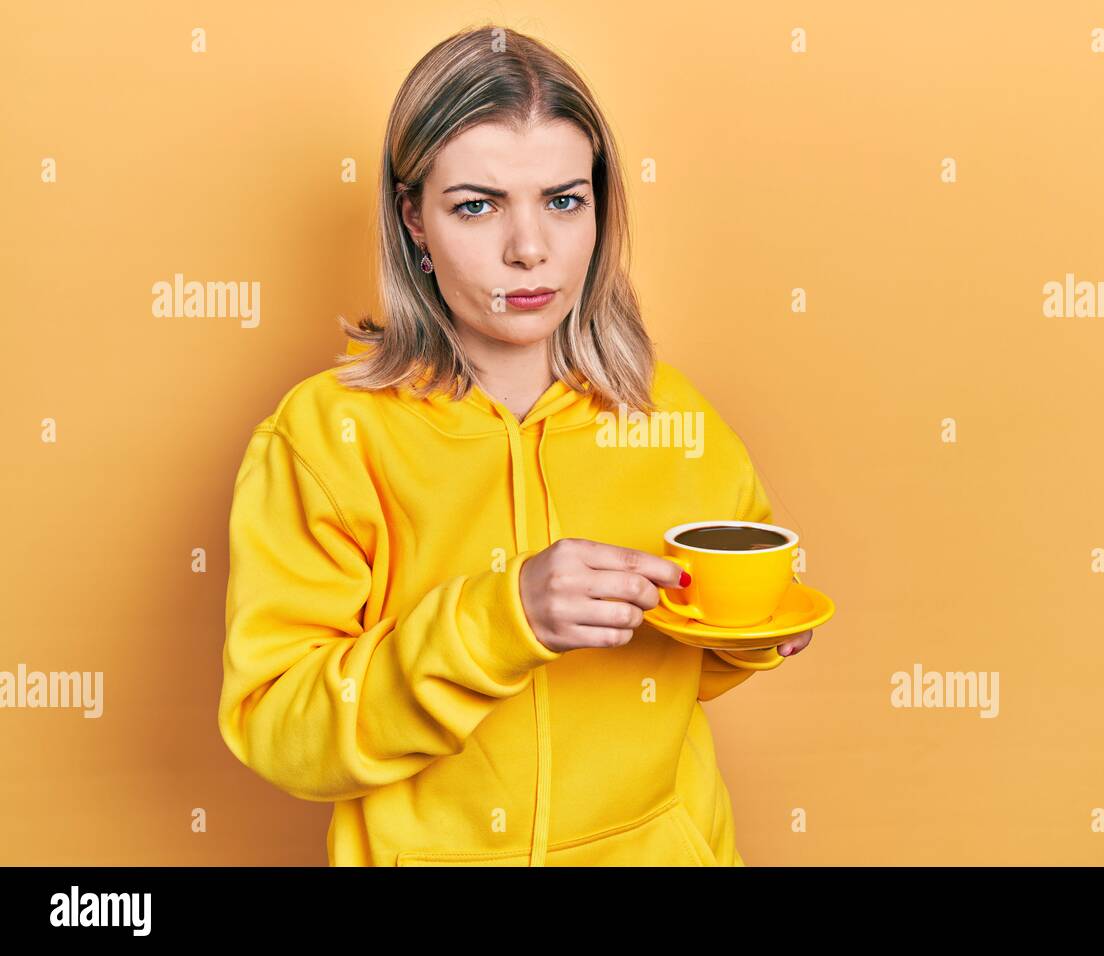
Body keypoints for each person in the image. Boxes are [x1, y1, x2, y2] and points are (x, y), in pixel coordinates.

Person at [217, 24, 813, 867]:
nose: (530, 248)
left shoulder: (670, 414)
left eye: (564, 200)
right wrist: (504, 618)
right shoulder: (323, 438)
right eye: (477, 205)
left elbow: (697, 658)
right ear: (412, 221)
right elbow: (282, 732)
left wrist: (754, 632)